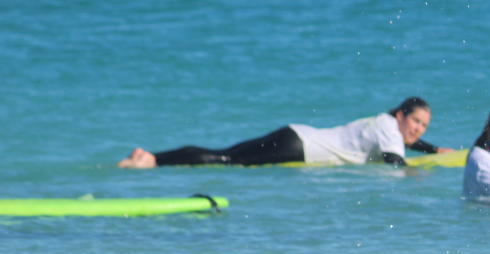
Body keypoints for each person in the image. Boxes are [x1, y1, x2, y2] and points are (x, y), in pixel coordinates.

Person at [117, 97, 453, 168]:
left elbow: (404, 142)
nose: (418, 129)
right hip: (302, 147)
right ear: (400, 114)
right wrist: (420, 175)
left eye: (424, 125)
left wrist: (433, 148)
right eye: (416, 121)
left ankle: (152, 156)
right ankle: (153, 162)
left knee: (227, 153)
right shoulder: (390, 132)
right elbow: (396, 160)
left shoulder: (382, 121)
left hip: (298, 134)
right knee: (227, 160)